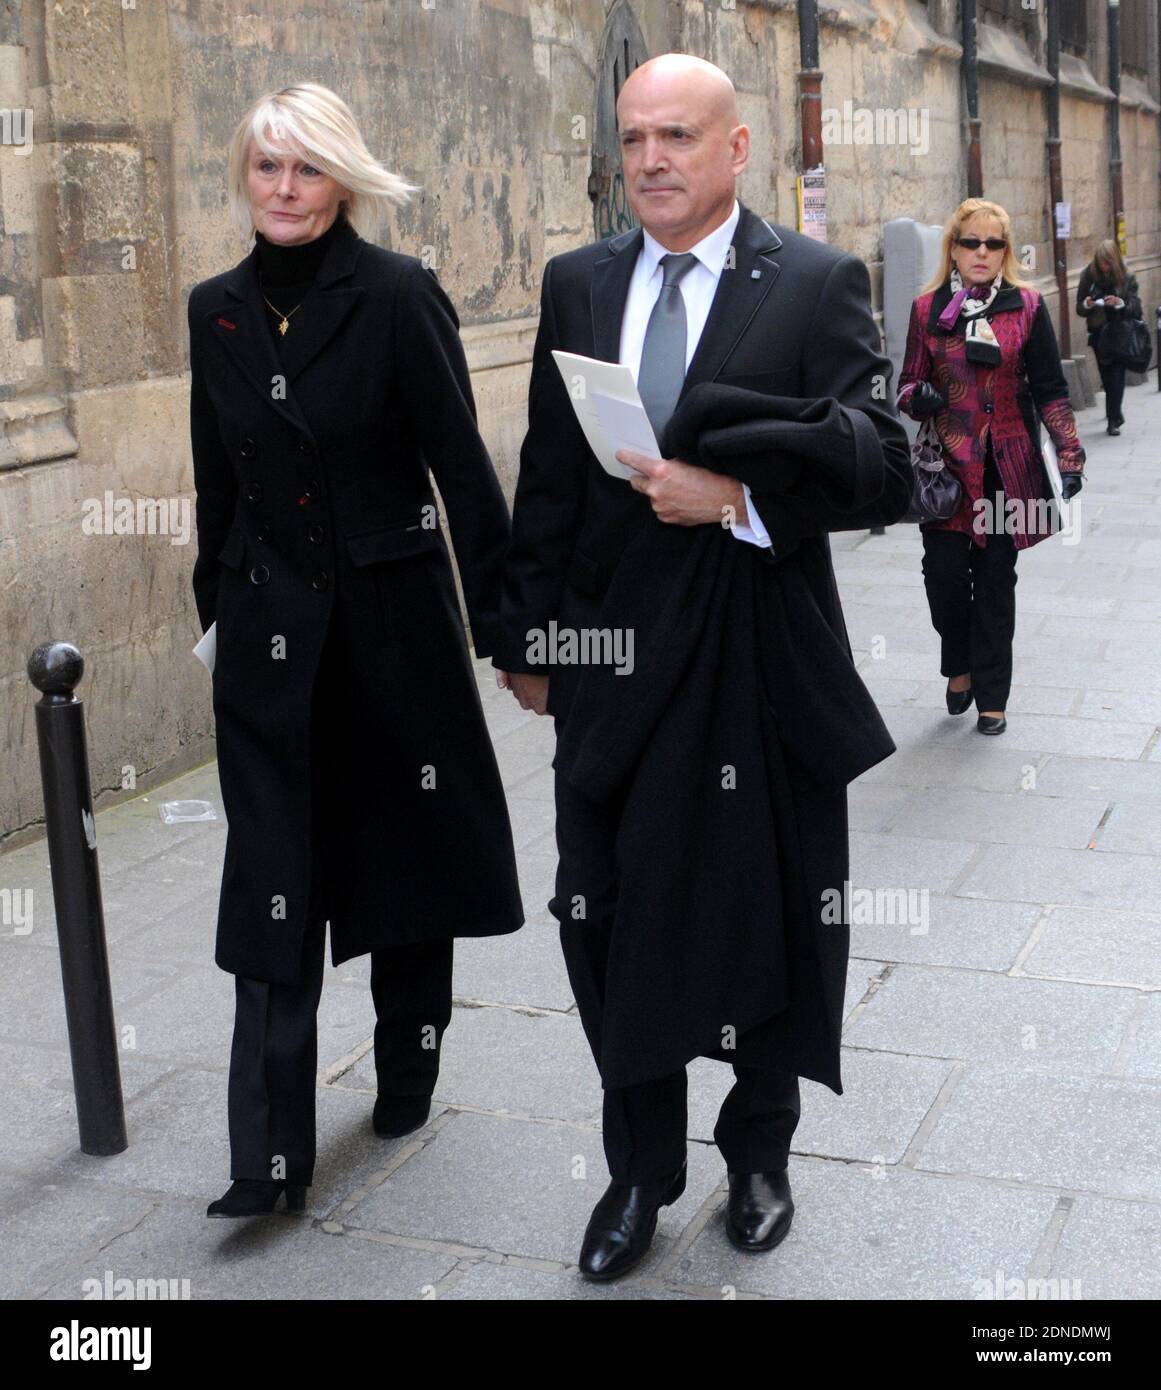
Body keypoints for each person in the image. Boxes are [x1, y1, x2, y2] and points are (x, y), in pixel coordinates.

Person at [493, 53, 911, 1281]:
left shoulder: (818, 283)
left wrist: (737, 494)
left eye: (677, 136)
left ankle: (759, 1151)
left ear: (738, 149)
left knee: (767, 909)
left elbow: (887, 466)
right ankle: (638, 1170)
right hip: (615, 666)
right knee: (603, 915)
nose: (651, 162)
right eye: (632, 140)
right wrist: (531, 641)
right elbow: (550, 477)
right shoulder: (579, 281)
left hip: (757, 658)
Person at [188, 83, 523, 1218]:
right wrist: (213, 614)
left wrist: (512, 629)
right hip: (270, 646)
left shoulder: (396, 296)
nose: (284, 190)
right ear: (246, 178)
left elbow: (462, 472)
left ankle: (407, 1066)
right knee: (271, 876)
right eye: (266, 169)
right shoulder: (215, 310)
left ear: (342, 179)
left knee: (406, 867)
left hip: (393, 639)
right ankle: (268, 1156)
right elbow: (215, 481)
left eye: (306, 169)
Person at [898, 198, 1086, 737]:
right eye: (971, 242)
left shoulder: (1026, 306)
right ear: (953, 250)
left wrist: (1070, 455)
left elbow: (1050, 389)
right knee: (945, 580)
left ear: (1005, 252)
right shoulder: (925, 310)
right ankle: (958, 665)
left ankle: (992, 698)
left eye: (993, 243)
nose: (982, 252)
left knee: (998, 583)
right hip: (947, 473)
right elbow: (906, 384)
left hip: (1009, 466)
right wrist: (922, 396)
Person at [1076, 239, 1142, 436]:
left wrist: (1119, 302)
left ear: (1114, 261)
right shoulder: (1089, 274)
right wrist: (1088, 304)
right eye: (1101, 263)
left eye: (1108, 263)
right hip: (1098, 332)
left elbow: (1136, 308)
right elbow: (1079, 307)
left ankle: (1114, 418)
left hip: (1120, 332)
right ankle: (1112, 412)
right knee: (1106, 374)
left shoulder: (1127, 277)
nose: (1104, 267)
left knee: (1117, 375)